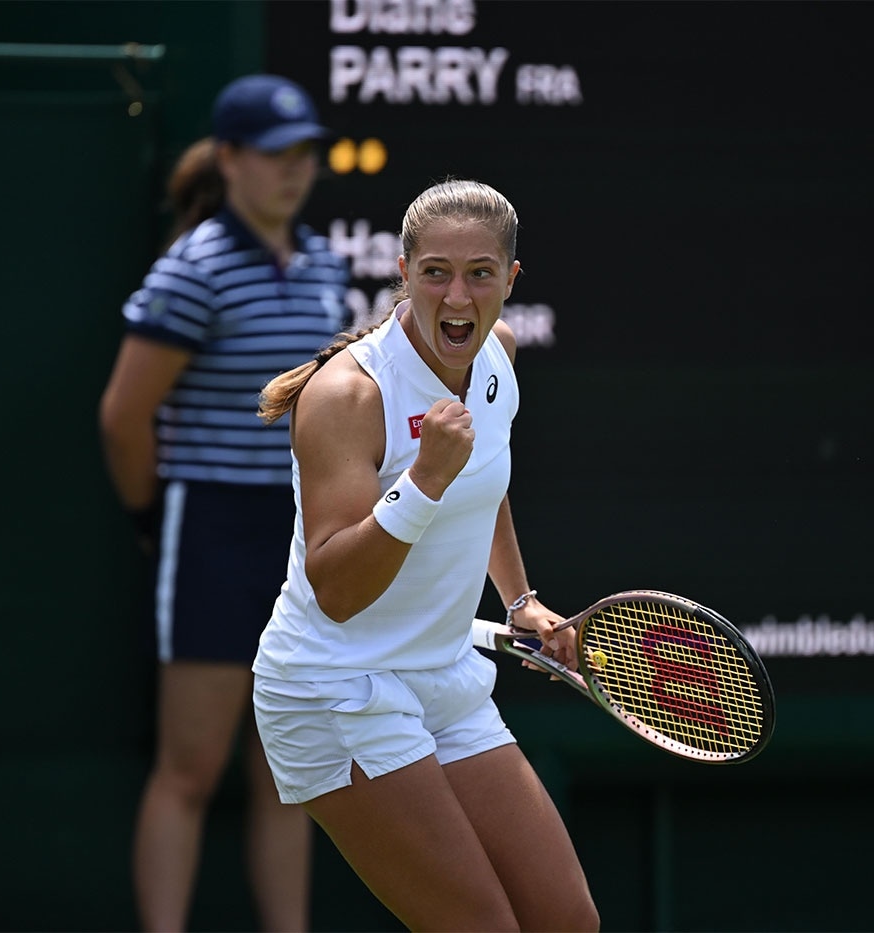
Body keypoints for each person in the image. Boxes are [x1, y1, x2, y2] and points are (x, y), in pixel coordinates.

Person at [252, 178, 600, 932]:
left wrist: (519, 597)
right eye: (435, 271)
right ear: (403, 274)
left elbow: (486, 480)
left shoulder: (499, 355)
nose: (457, 294)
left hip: (440, 676)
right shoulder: (348, 397)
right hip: (334, 688)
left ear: (511, 280)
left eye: (481, 272)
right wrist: (423, 479)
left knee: (565, 920)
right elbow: (337, 585)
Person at [98, 73, 350, 932]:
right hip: (207, 528)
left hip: (298, 536)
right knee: (191, 768)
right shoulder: (196, 267)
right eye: (276, 155)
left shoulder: (323, 262)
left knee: (290, 769)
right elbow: (125, 417)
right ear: (233, 159)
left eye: (305, 154)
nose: (295, 171)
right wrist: (150, 519)